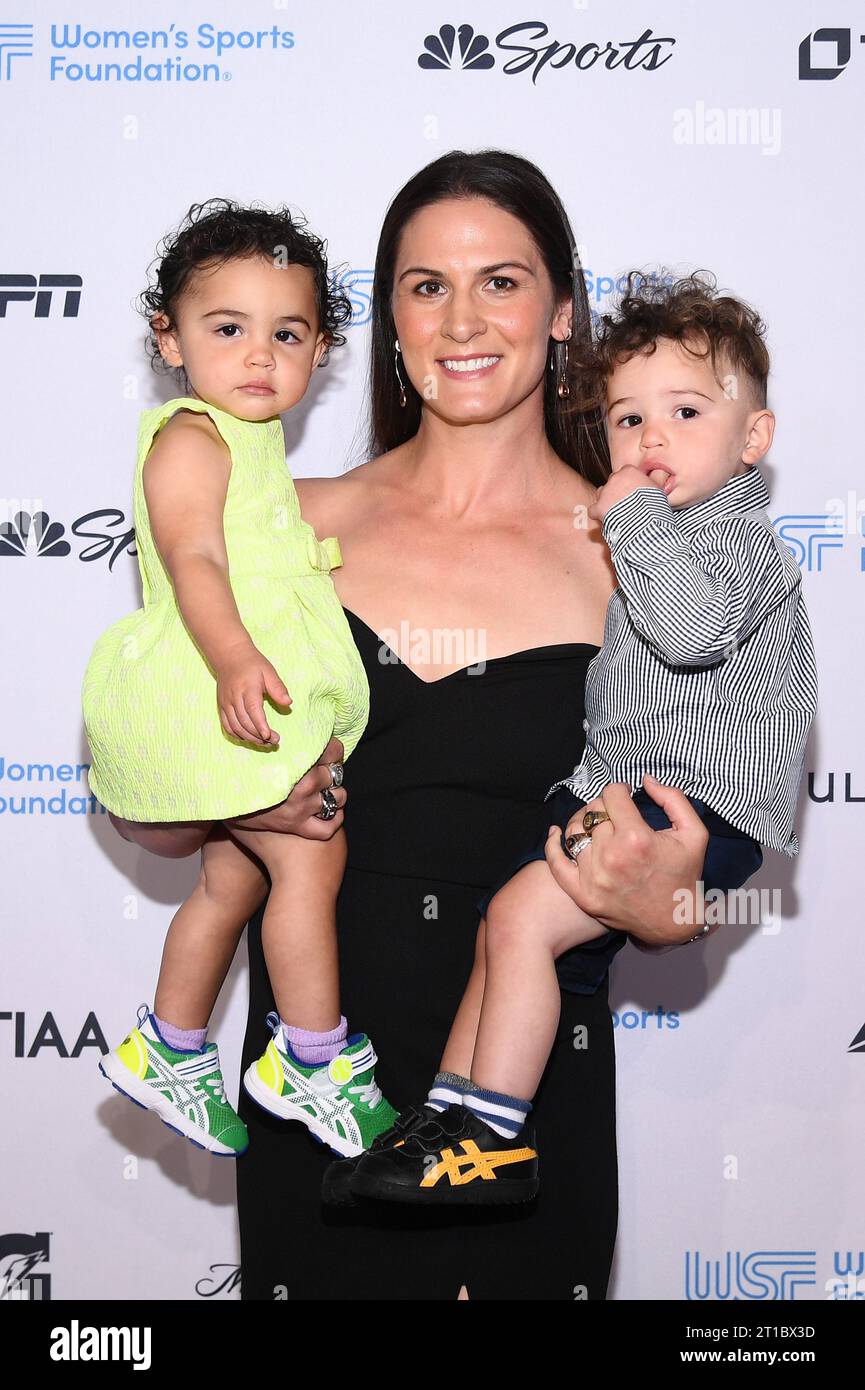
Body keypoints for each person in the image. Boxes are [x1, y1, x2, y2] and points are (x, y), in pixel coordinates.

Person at [228, 150, 714, 1300]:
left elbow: (692, 888)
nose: (461, 320)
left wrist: (667, 903)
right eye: (424, 284)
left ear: (561, 312)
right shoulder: (281, 526)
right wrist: (219, 800)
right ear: (387, 312)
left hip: (525, 1107)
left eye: (500, 281)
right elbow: (152, 806)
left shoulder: (642, 555)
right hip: (320, 1075)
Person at [343, 271, 818, 1206]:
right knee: (506, 927)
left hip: (691, 809)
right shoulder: (664, 537)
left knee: (517, 920)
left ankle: (488, 1137)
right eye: (628, 421)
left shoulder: (733, 545)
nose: (651, 442)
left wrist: (628, 513)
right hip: (621, 793)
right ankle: (449, 1116)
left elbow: (687, 635)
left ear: (753, 438)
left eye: (685, 412)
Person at [82, 198, 397, 1161]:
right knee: (309, 857)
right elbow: (194, 563)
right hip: (209, 684)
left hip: (243, 691)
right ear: (167, 339)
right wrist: (231, 658)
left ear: (321, 350)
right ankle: (310, 1057)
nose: (260, 356)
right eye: (228, 329)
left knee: (231, 877)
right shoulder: (193, 437)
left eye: (287, 333)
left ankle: (171, 1046)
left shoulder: (250, 444)